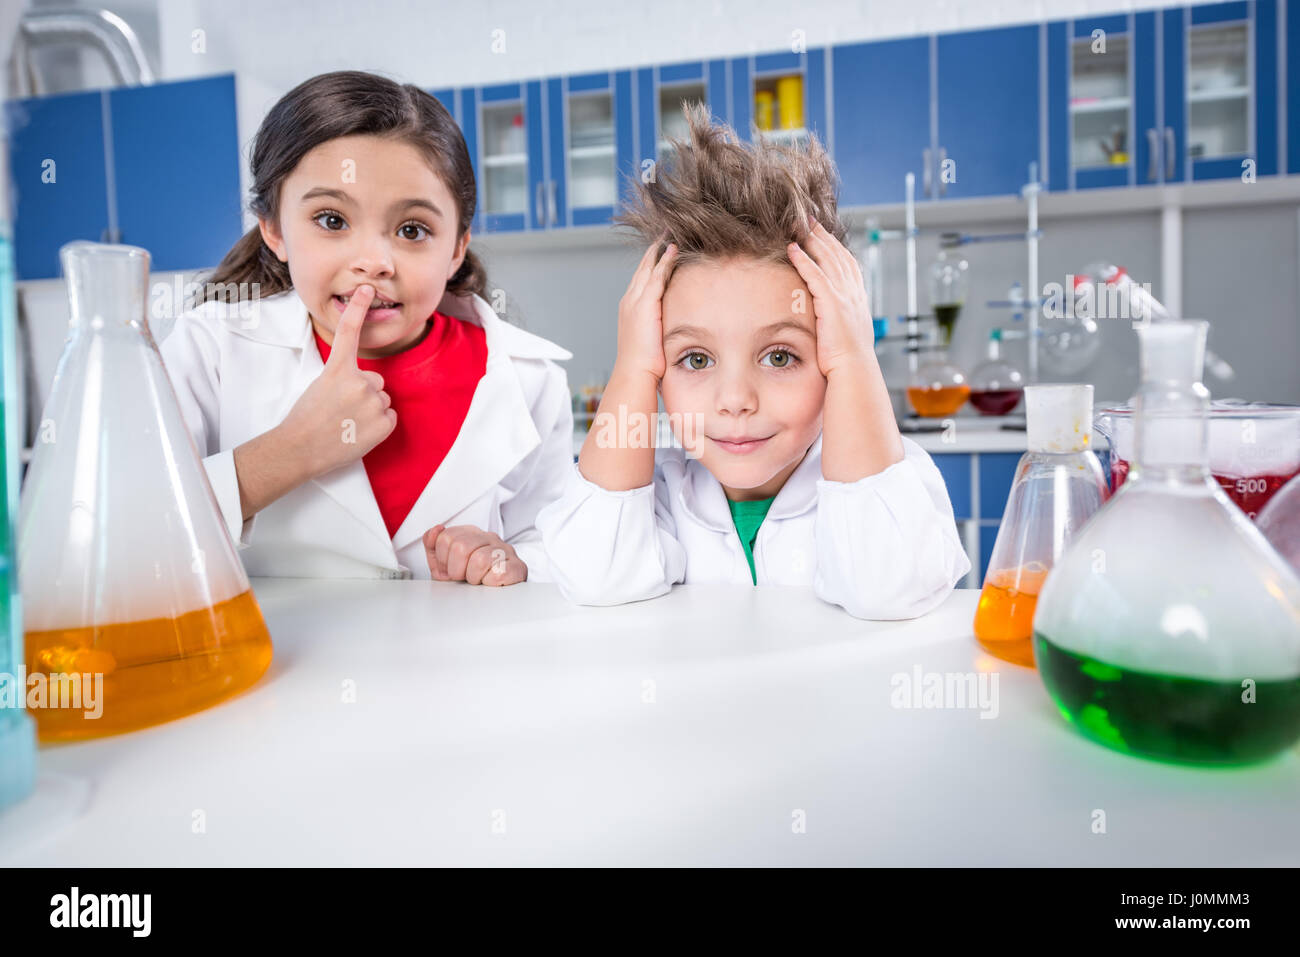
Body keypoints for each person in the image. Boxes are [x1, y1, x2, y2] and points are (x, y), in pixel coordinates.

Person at [536, 105, 970, 618]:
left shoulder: (891, 475)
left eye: (780, 355)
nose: (735, 400)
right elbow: (594, 576)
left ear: (832, 361)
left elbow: (885, 590)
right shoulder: (660, 496)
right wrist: (631, 367)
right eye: (695, 359)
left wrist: (856, 357)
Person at [161, 71, 573, 583]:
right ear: (274, 230)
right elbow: (121, 538)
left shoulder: (529, 377)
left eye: (412, 230)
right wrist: (287, 453)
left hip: (458, 662)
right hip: (282, 663)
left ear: (457, 247)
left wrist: (512, 560)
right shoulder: (211, 351)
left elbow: (556, 543)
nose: (374, 261)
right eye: (332, 220)